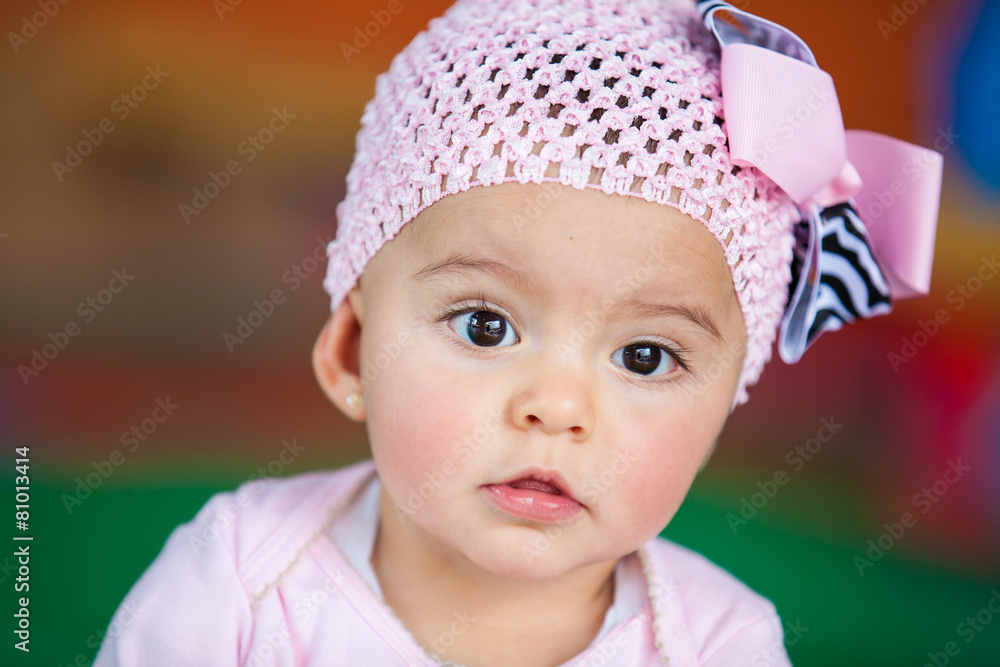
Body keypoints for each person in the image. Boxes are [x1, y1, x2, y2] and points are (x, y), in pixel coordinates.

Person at [93, 0, 942, 664]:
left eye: (645, 356)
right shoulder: (238, 581)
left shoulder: (719, 642)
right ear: (351, 351)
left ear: (725, 405)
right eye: (486, 325)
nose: (557, 406)